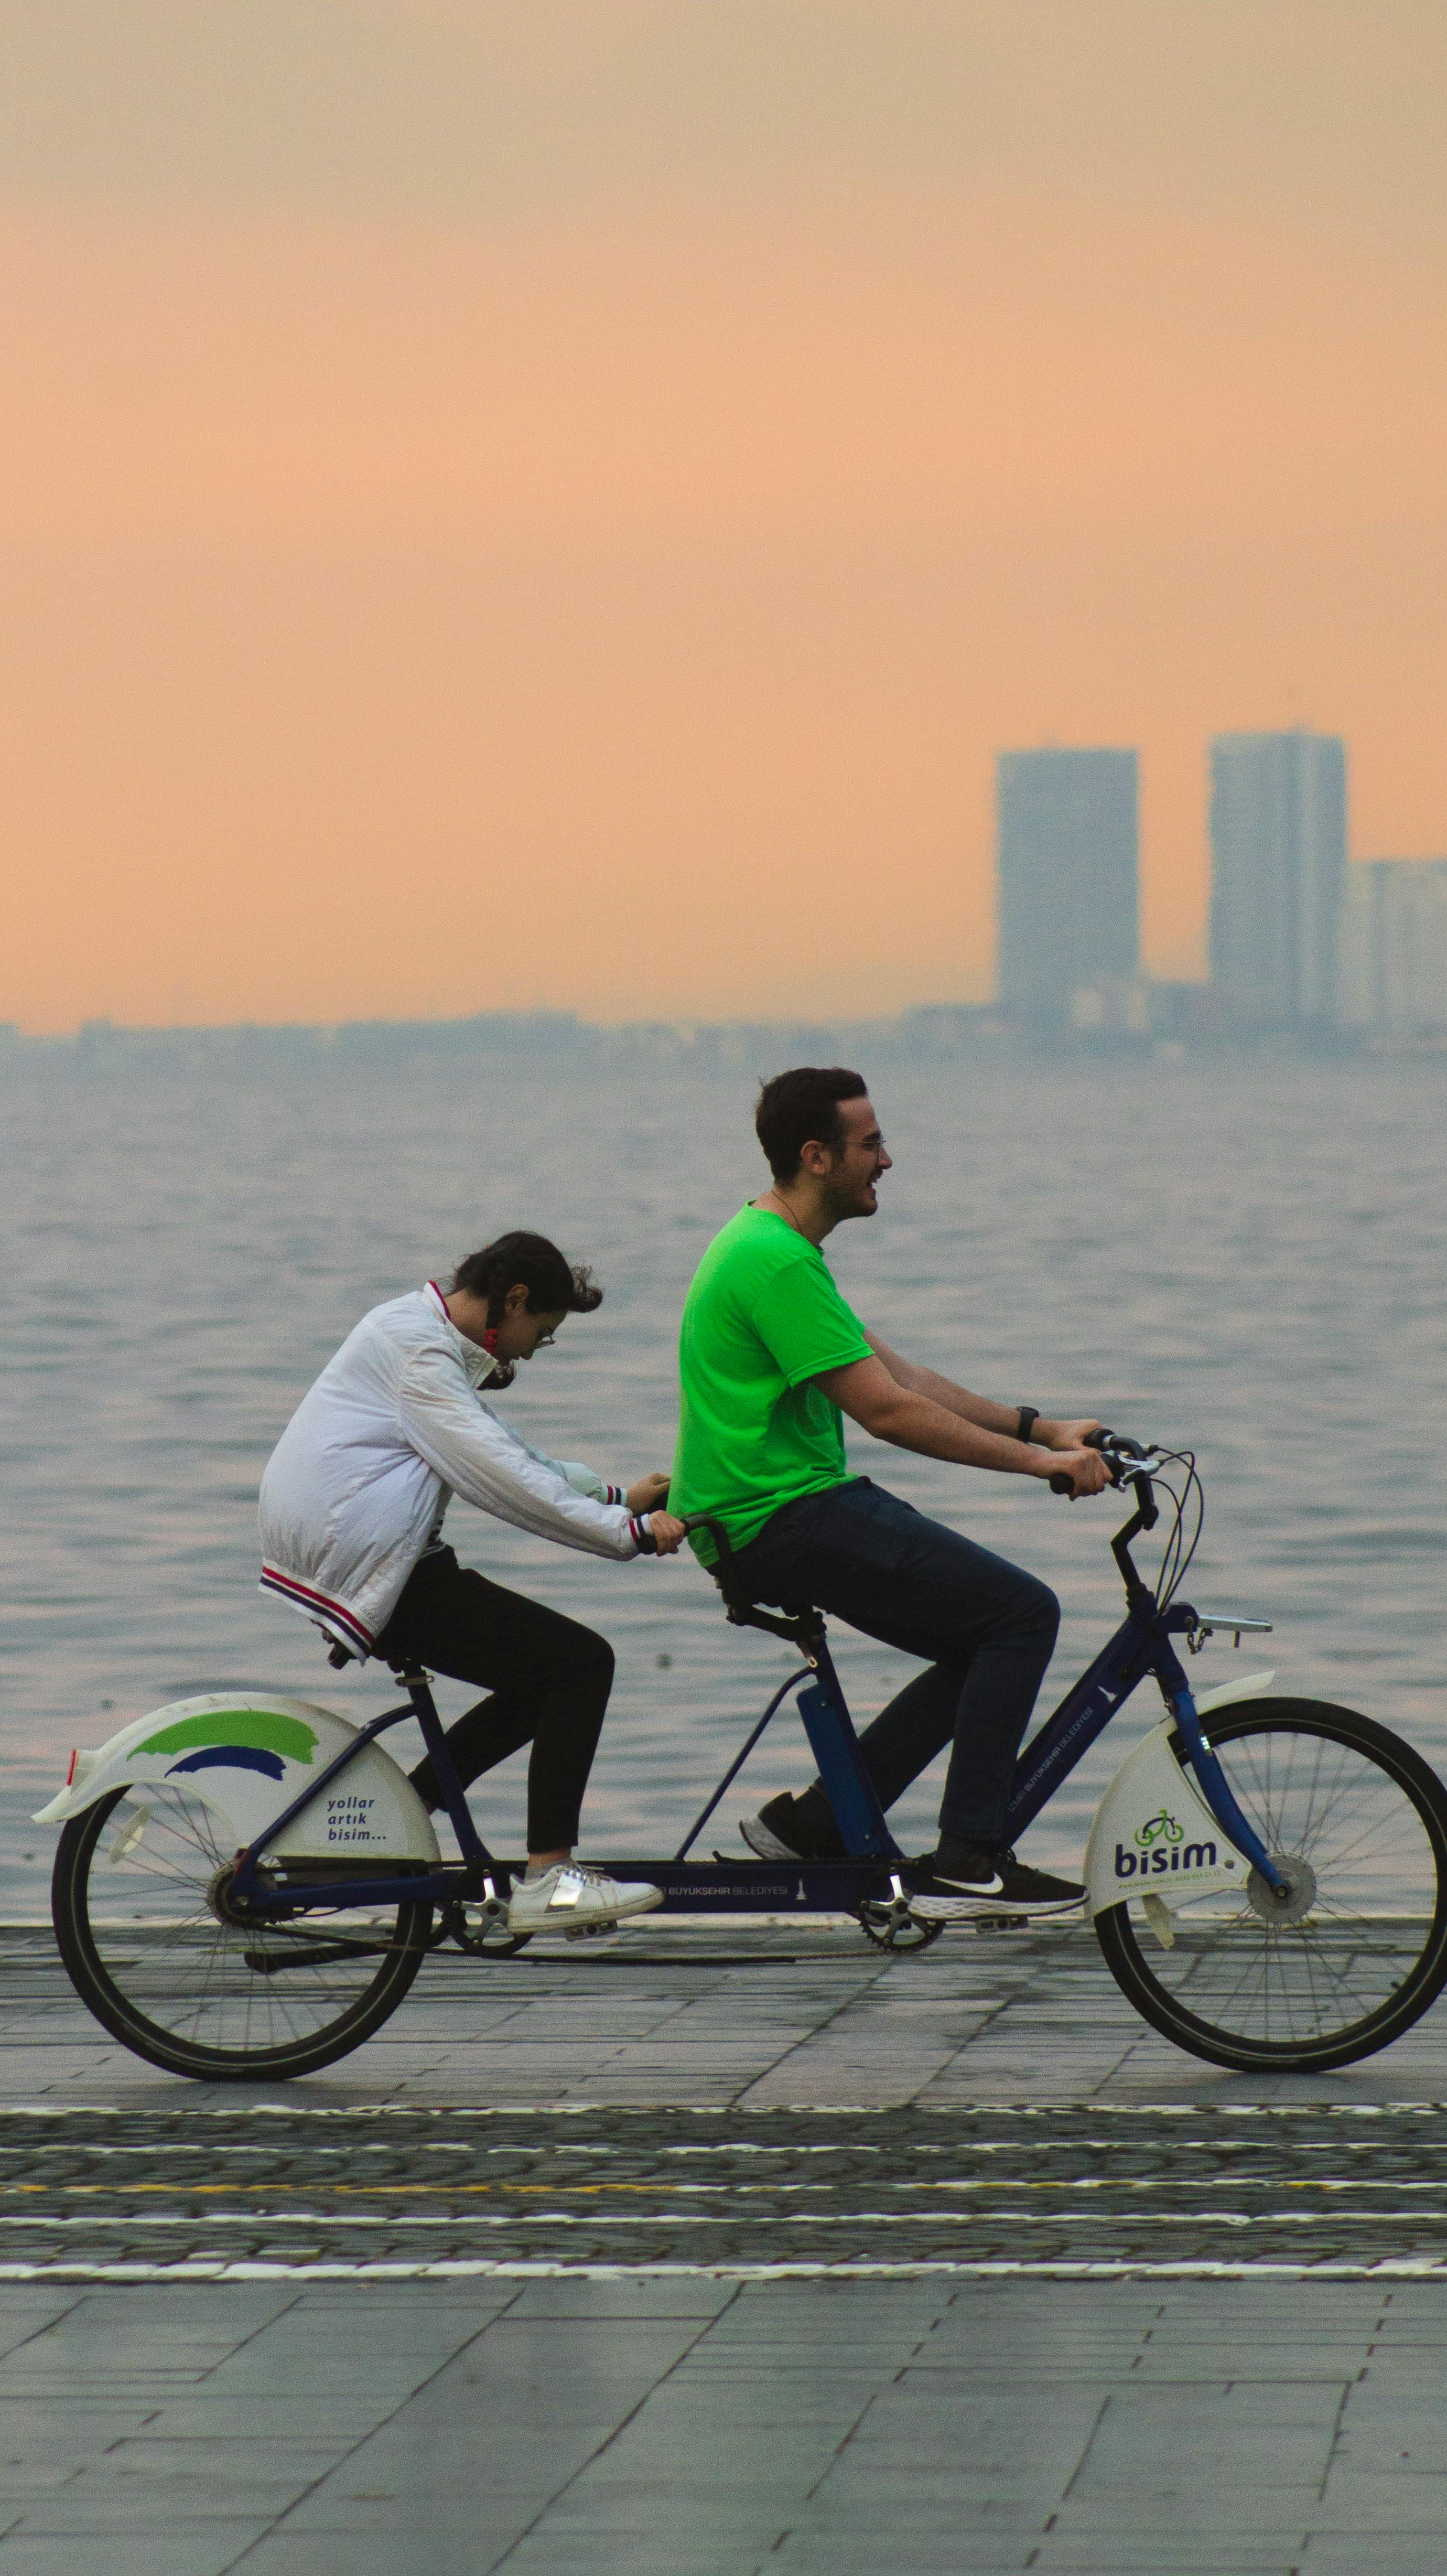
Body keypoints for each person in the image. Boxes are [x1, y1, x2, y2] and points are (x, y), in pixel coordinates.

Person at [669, 1068, 1111, 1917]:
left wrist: (1041, 1429)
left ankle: (822, 1823)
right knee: (1020, 1617)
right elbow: (888, 1413)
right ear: (817, 1157)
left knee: (980, 1639)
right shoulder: (773, 1264)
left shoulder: (776, 1248)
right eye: (871, 1144)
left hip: (773, 1512)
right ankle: (970, 1857)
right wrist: (1040, 1470)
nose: (888, 1160)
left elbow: (898, 1374)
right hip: (778, 1517)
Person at [259, 1230, 687, 1935]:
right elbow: (497, 1474)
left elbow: (499, 1444)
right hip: (369, 1567)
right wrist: (625, 1535)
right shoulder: (419, 1355)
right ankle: (551, 1878)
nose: (530, 1352)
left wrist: (613, 1497)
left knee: (536, 1682)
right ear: (512, 1301)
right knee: (582, 1665)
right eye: (540, 1334)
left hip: (371, 1556)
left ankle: (378, 1835)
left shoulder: (418, 1331)